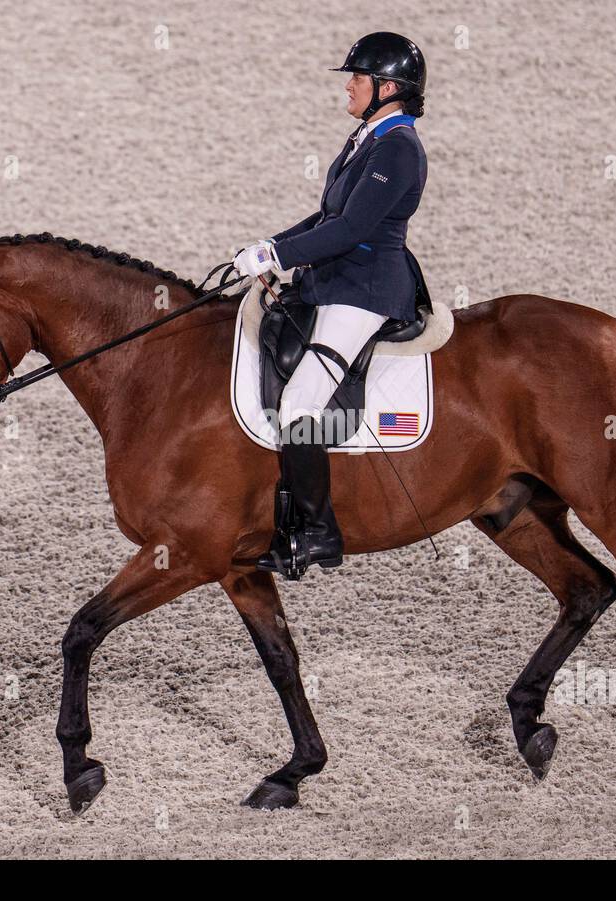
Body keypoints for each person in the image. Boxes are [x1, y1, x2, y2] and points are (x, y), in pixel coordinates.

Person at [233, 31, 429, 578]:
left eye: (358, 78)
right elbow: (326, 217)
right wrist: (270, 246)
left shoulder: (397, 148)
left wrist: (279, 255)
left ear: (387, 87)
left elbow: (351, 229)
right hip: (333, 281)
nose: (349, 87)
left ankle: (320, 532)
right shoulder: (367, 137)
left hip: (363, 292)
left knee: (300, 405)